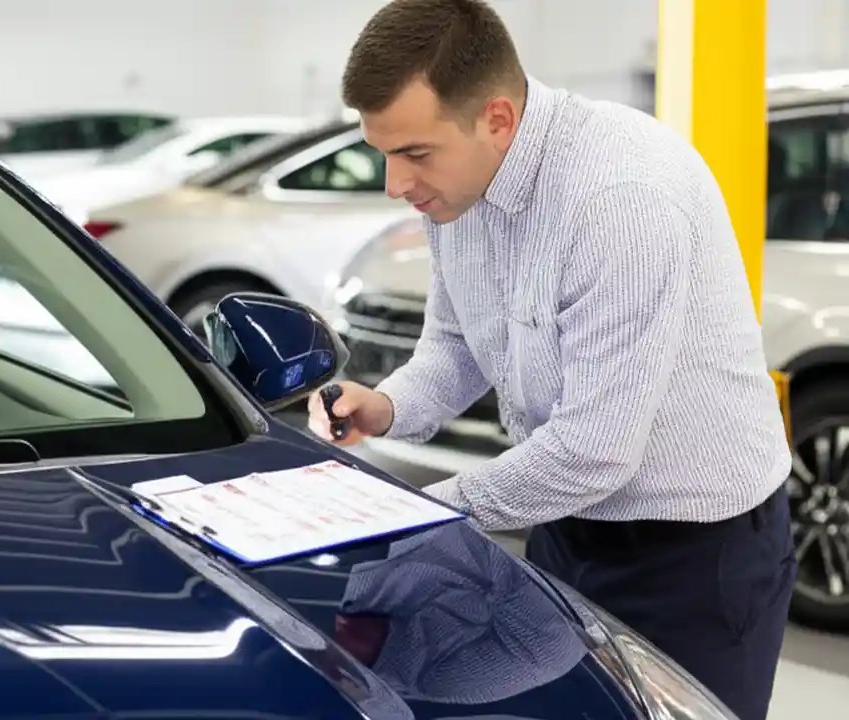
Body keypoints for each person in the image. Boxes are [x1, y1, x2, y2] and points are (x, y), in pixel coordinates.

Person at [307, 1, 796, 718]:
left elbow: (597, 451)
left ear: (497, 119)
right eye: (385, 153)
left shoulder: (620, 201)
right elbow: (454, 346)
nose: (396, 185)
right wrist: (386, 406)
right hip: (568, 522)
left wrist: (415, 513)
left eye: (414, 153)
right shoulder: (459, 194)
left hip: (696, 558)